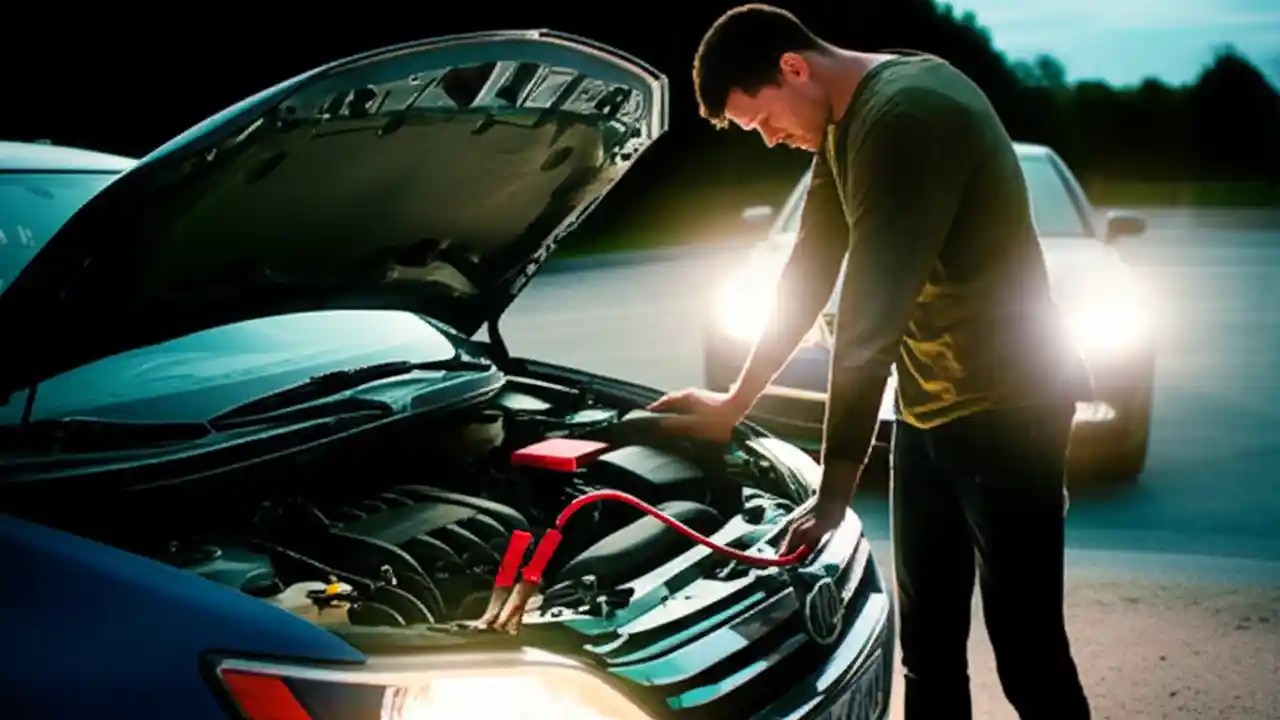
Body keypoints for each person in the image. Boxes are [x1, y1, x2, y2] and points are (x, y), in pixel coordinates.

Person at [648, 4, 1092, 718]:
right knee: (929, 655)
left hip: (1013, 414)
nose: (767, 141)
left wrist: (831, 499)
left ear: (793, 68)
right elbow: (810, 268)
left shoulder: (906, 118)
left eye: (761, 121)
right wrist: (733, 402)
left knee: (1029, 653)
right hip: (928, 413)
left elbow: (865, 330)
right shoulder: (844, 121)